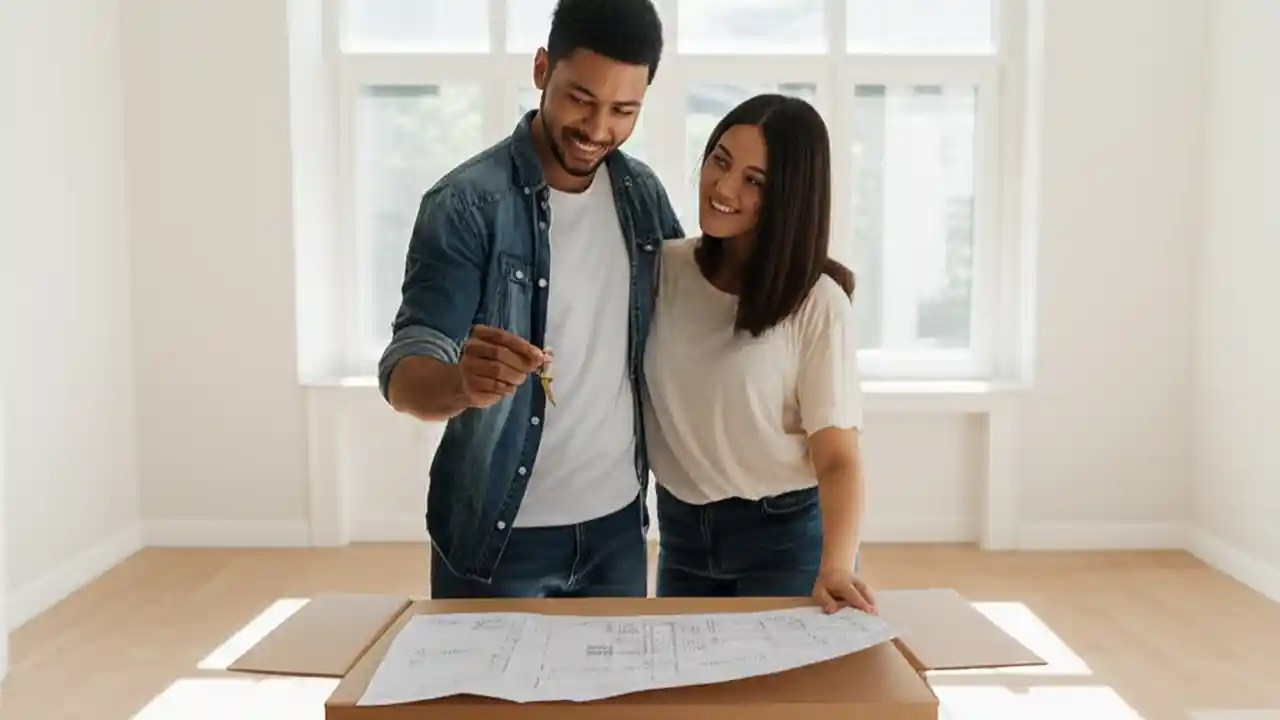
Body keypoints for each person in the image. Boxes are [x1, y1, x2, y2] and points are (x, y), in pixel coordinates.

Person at [378, 0, 683, 599]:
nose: (598, 129)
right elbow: (404, 371)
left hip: (618, 528)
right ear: (542, 69)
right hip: (498, 537)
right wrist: (461, 384)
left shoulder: (641, 195)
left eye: (623, 110)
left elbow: (698, 302)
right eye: (581, 99)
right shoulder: (467, 205)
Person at [643, 94, 877, 614]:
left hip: (786, 539)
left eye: (755, 181)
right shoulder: (663, 270)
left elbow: (838, 459)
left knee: (793, 672)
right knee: (687, 669)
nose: (724, 187)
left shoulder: (818, 305)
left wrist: (837, 566)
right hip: (681, 533)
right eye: (720, 160)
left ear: (788, 198)